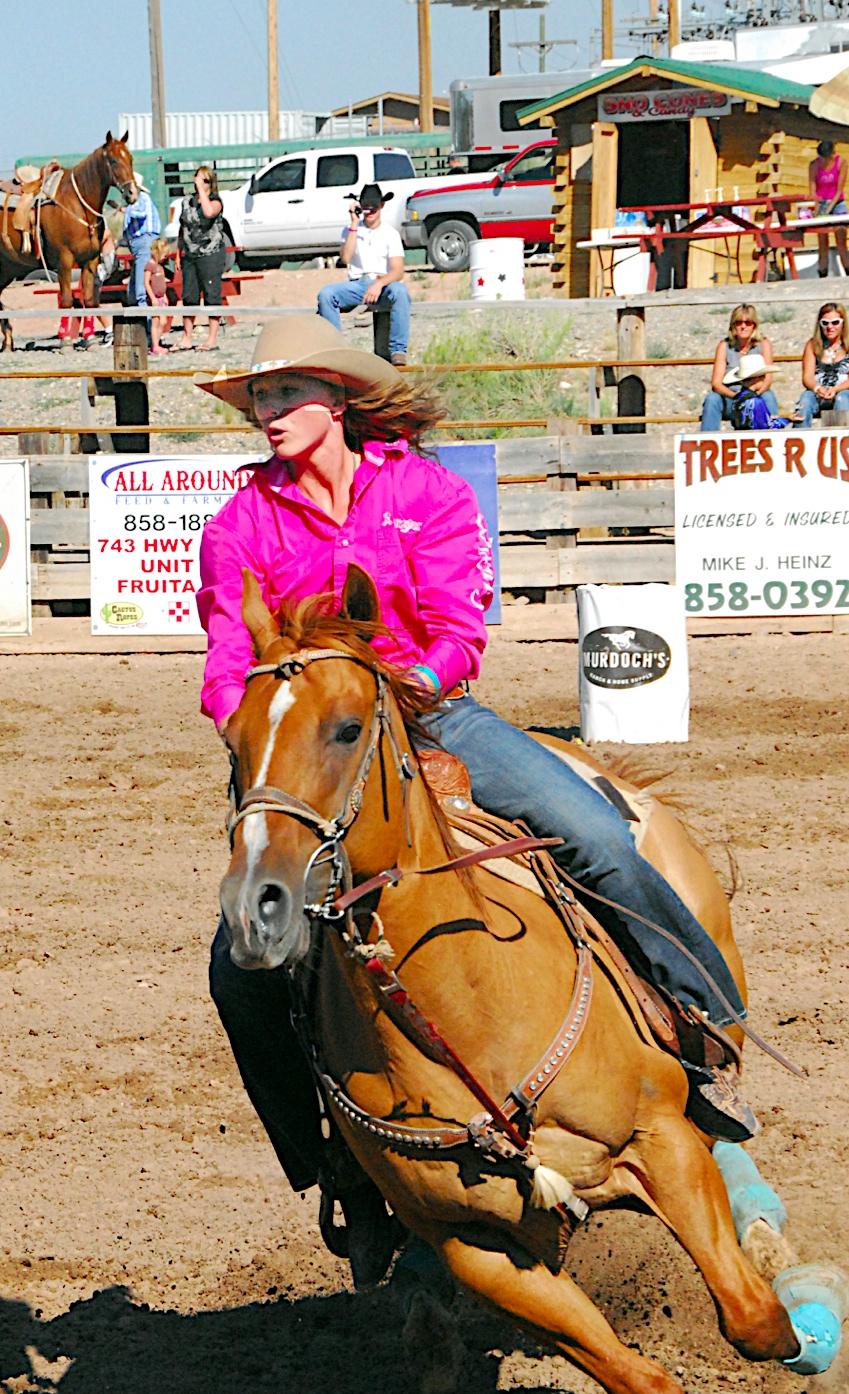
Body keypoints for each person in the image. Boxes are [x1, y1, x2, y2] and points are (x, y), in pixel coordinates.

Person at [195, 314, 748, 1285]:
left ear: (337, 400)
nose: (268, 411)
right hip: (316, 750)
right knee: (242, 967)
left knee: (593, 832)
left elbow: (459, 625)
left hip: (436, 714)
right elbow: (225, 655)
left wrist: (412, 684)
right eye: (259, 397)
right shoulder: (239, 524)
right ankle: (335, 1163)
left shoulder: (426, 493)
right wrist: (251, 722)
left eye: (285, 392)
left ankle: (700, 1038)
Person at [317, 182, 410, 366]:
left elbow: (398, 270)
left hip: (382, 284)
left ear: (382, 205)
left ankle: (398, 351)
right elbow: (346, 258)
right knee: (326, 294)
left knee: (400, 292)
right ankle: (337, 349)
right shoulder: (350, 230)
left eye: (374, 207)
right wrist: (354, 224)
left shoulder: (390, 233)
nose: (370, 212)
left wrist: (379, 284)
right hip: (358, 283)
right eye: (367, 208)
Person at [700, 304, 778, 432]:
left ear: (754, 325)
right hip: (731, 398)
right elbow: (716, 383)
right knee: (712, 399)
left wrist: (751, 396)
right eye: (739, 322)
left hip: (755, 395)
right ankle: (707, 439)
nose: (743, 326)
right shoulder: (724, 346)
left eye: (748, 323)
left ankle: (772, 435)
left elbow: (767, 380)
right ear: (733, 325)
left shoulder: (763, 344)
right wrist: (737, 397)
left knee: (768, 396)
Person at [178, 165, 225, 352]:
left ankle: (212, 338)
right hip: (190, 253)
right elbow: (183, 226)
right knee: (189, 295)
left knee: (211, 294)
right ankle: (186, 337)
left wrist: (202, 192)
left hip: (211, 252)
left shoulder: (215, 201)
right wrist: (179, 251)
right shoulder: (187, 201)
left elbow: (208, 212)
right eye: (197, 178)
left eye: (204, 180)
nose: (198, 183)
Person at [793, 301, 849, 425]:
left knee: (842, 400)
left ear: (843, 323)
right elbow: (807, 377)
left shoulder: (847, 345)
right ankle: (800, 432)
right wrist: (817, 388)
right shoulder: (812, 345)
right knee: (805, 400)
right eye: (825, 323)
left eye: (835, 322)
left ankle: (841, 434)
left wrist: (836, 389)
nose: (830, 327)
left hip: (843, 391)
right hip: (819, 392)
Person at [121, 180, 162, 338]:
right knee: (132, 292)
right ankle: (139, 330)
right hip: (138, 246)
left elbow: (140, 213)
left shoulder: (142, 199)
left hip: (144, 243)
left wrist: (126, 209)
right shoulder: (135, 204)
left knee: (141, 291)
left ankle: (149, 332)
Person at [808, 139, 849, 278]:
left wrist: (829, 209)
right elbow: (813, 189)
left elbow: (839, 190)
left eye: (826, 158)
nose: (824, 161)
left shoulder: (841, 163)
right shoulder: (814, 165)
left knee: (841, 241)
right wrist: (816, 208)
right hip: (821, 202)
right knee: (822, 242)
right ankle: (823, 275)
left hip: (838, 203)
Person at [145, 238, 174, 354]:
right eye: (163, 255)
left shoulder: (160, 267)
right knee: (156, 321)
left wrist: (164, 295)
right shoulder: (149, 266)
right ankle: (155, 346)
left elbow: (162, 282)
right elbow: (146, 282)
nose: (164, 257)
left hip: (161, 297)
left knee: (163, 321)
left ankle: (157, 342)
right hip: (155, 298)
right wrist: (152, 298)